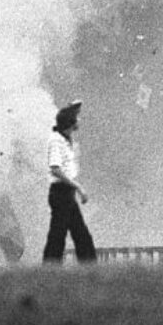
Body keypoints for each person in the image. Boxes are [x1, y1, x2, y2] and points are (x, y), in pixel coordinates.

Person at [44, 100, 97, 264]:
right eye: (75, 119)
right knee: (59, 235)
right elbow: (55, 169)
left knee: (78, 233)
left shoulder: (65, 140)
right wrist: (78, 187)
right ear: (70, 124)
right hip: (61, 192)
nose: (78, 121)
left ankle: (89, 265)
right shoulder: (56, 140)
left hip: (66, 193)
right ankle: (51, 268)